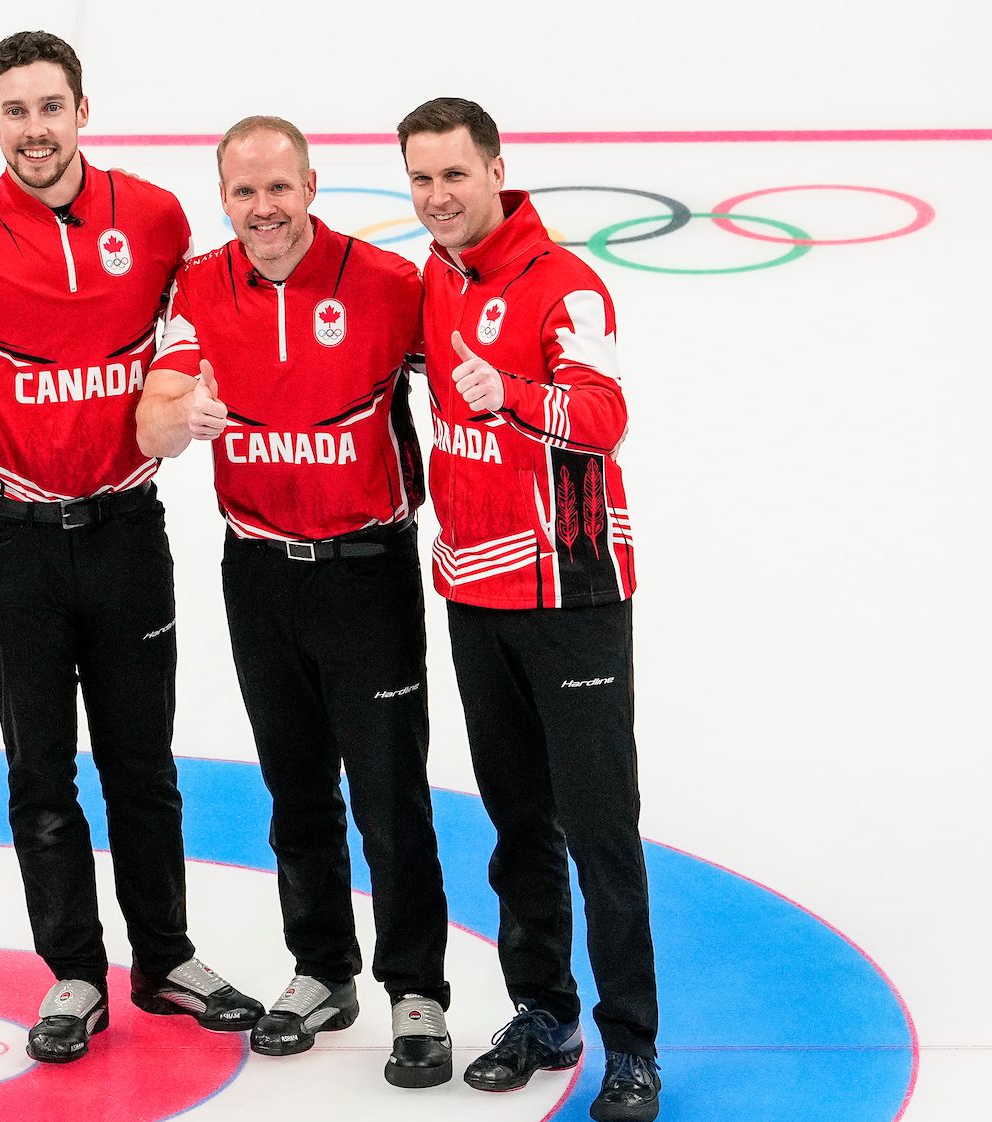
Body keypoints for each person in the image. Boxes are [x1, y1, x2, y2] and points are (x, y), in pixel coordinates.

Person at [0, 30, 261, 1063]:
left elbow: (199, 333)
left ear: (82, 111)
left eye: (51, 108)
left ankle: (167, 959)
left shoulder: (157, 217)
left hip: (126, 526)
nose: (34, 130)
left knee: (144, 764)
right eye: (16, 111)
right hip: (11, 540)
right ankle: (76, 974)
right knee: (40, 771)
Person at [137, 116, 453, 1089]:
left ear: (311, 187)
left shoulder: (388, 285)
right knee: (296, 787)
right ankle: (322, 970)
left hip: (367, 571)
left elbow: (468, 380)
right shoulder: (198, 286)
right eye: (245, 192)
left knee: (391, 795)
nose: (263, 209)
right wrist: (181, 416)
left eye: (279, 188)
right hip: (259, 571)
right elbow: (150, 420)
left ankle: (417, 992)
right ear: (223, 200)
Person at [398, 97, 661, 1122]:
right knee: (517, 830)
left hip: (571, 594)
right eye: (421, 178)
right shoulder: (434, 275)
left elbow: (605, 415)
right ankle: (544, 1014)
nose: (437, 197)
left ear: (497, 170)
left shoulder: (566, 284)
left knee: (600, 832)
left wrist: (507, 392)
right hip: (475, 593)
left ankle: (631, 1047)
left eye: (454, 175)